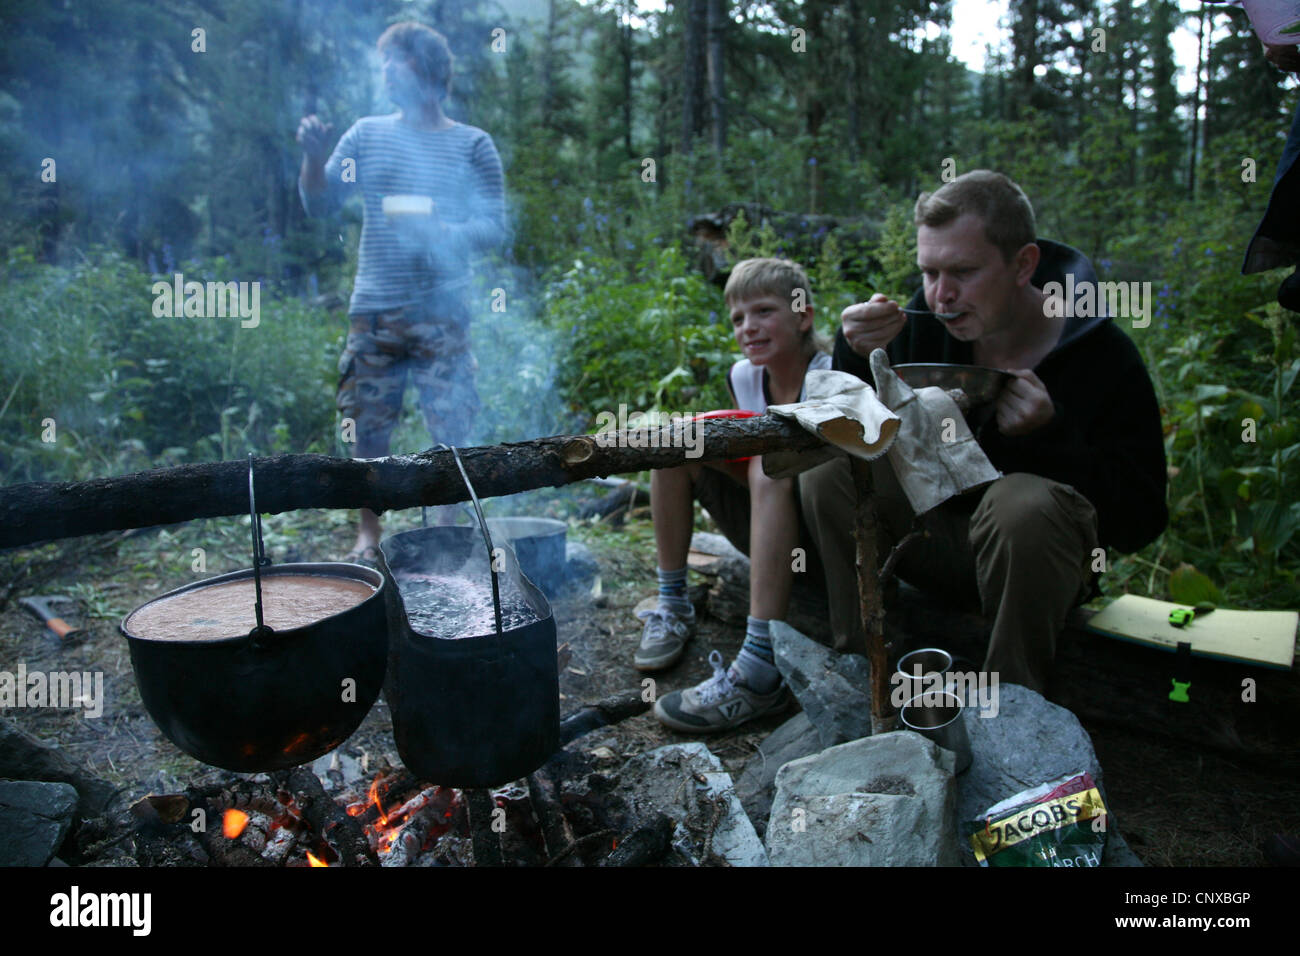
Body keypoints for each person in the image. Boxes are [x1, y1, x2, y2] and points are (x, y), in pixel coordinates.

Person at [800, 170, 1168, 692]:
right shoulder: (923, 325)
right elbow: (859, 428)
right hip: (934, 544)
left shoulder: (1102, 356)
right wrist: (852, 353)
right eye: (929, 272)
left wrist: (1050, 437)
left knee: (1020, 503)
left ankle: (1014, 708)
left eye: (963, 272)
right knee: (832, 468)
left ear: (1023, 265)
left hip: (1040, 561)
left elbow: (1142, 518)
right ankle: (862, 676)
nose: (941, 295)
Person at [297, 22, 506, 562]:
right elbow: (317, 205)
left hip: (443, 312)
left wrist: (447, 235)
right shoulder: (366, 134)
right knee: (366, 429)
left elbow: (495, 228)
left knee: (451, 428)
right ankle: (369, 533)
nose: (386, 71)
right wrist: (313, 160)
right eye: (383, 62)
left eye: (398, 61)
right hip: (375, 310)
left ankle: (447, 530)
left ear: (429, 70)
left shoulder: (472, 144)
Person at [646, 258, 833, 733]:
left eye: (764, 311)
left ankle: (760, 665)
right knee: (674, 443)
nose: (748, 328)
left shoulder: (832, 375)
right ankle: (672, 605)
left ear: (803, 316)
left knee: (772, 464)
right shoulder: (746, 375)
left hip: (828, 544)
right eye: (737, 318)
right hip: (773, 535)